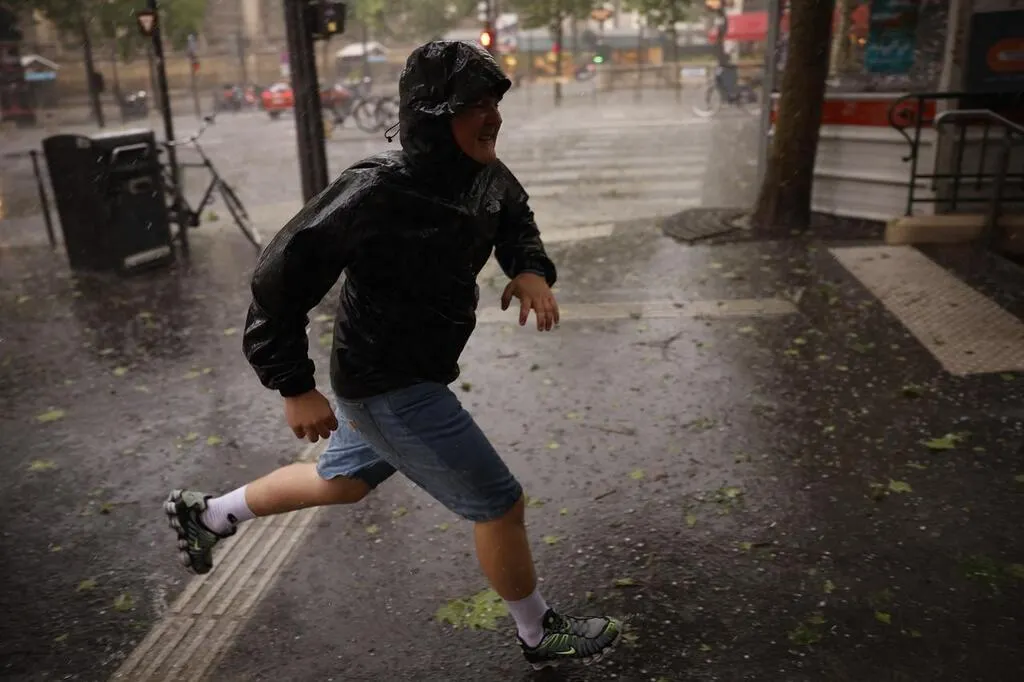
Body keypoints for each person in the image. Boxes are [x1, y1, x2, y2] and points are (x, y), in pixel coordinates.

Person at [164, 40, 621, 670]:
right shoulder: (373, 192)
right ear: (433, 118)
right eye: (472, 106)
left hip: (408, 373)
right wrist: (293, 385)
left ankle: (210, 515)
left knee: (343, 482)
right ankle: (540, 633)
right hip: (390, 383)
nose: (491, 116)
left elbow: (515, 221)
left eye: (493, 101)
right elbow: (279, 281)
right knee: (499, 503)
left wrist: (532, 270)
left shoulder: (487, 174)